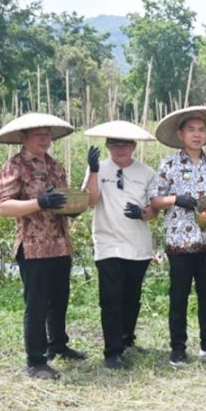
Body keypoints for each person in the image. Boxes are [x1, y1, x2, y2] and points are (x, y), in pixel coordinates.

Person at [0, 113, 86, 380]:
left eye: (47, 134)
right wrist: (39, 203)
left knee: (59, 298)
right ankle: (36, 360)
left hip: (60, 242)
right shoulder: (15, 166)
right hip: (33, 245)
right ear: (23, 137)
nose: (45, 139)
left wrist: (72, 208)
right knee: (36, 304)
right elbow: (4, 207)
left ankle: (57, 345)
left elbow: (64, 199)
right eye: (38, 134)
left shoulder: (55, 166)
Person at [150, 107, 206, 365]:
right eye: (191, 130)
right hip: (180, 241)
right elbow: (155, 200)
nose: (197, 135)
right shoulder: (169, 164)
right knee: (179, 295)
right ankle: (178, 347)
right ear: (181, 134)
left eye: (201, 130)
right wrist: (176, 199)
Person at [82, 121, 158, 370]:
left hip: (138, 245)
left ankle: (127, 340)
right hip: (108, 243)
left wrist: (142, 213)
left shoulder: (146, 173)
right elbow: (90, 201)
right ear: (107, 146)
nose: (120, 148)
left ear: (134, 145)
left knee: (131, 298)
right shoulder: (98, 168)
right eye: (114, 144)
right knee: (111, 299)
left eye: (125, 144)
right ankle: (112, 352)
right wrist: (93, 171)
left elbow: (153, 210)